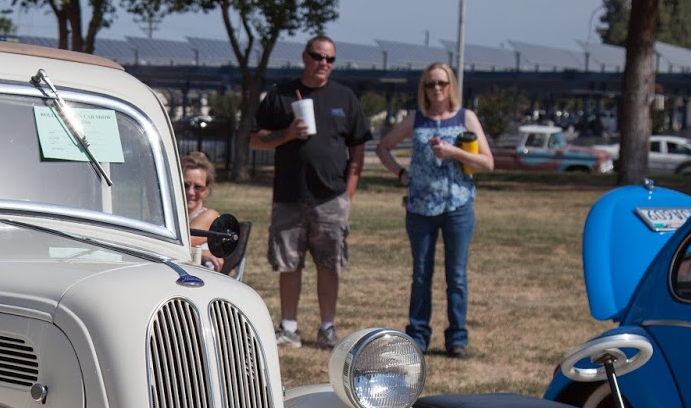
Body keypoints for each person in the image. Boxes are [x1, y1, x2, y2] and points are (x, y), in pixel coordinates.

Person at [250, 34, 372, 348]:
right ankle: (289, 327)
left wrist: (349, 193)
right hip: (289, 196)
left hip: (331, 197)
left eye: (330, 59)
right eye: (318, 57)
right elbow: (255, 138)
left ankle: (327, 328)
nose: (323, 64)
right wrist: (287, 133)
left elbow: (358, 147)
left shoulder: (345, 98)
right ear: (305, 57)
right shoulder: (281, 95)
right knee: (289, 264)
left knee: (329, 264)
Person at [375, 62, 494, 358]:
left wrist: (454, 152)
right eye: (430, 84)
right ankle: (417, 334)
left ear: (451, 85)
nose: (436, 89)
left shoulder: (466, 117)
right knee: (421, 274)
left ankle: (457, 338)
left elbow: (488, 163)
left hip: (458, 205)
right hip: (420, 208)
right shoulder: (416, 119)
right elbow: (383, 147)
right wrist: (403, 176)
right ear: (424, 89)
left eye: (442, 83)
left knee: (456, 276)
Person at [183, 151, 222, 269]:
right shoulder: (171, 218)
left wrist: (198, 253)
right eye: (185, 185)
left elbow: (181, 245)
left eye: (198, 187)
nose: (190, 192)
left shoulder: (210, 216)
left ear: (206, 190)